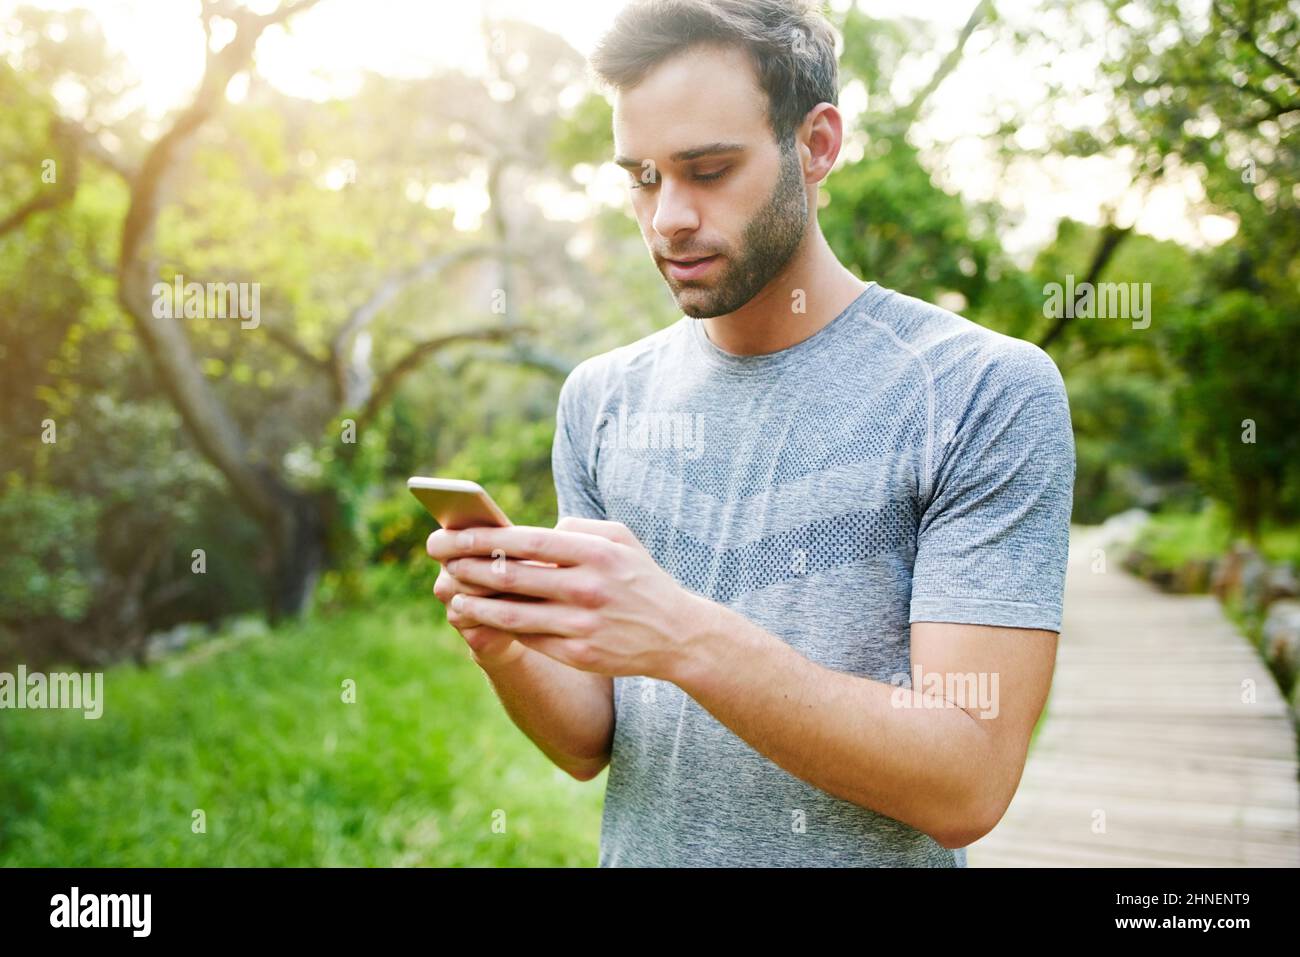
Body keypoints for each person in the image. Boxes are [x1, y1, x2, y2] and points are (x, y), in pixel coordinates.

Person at [427, 0, 1075, 867]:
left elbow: (968, 781)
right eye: (644, 177)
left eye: (708, 169)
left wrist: (682, 634)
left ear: (816, 145)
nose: (668, 219)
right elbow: (590, 740)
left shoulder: (980, 391)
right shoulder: (601, 400)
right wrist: (503, 640)